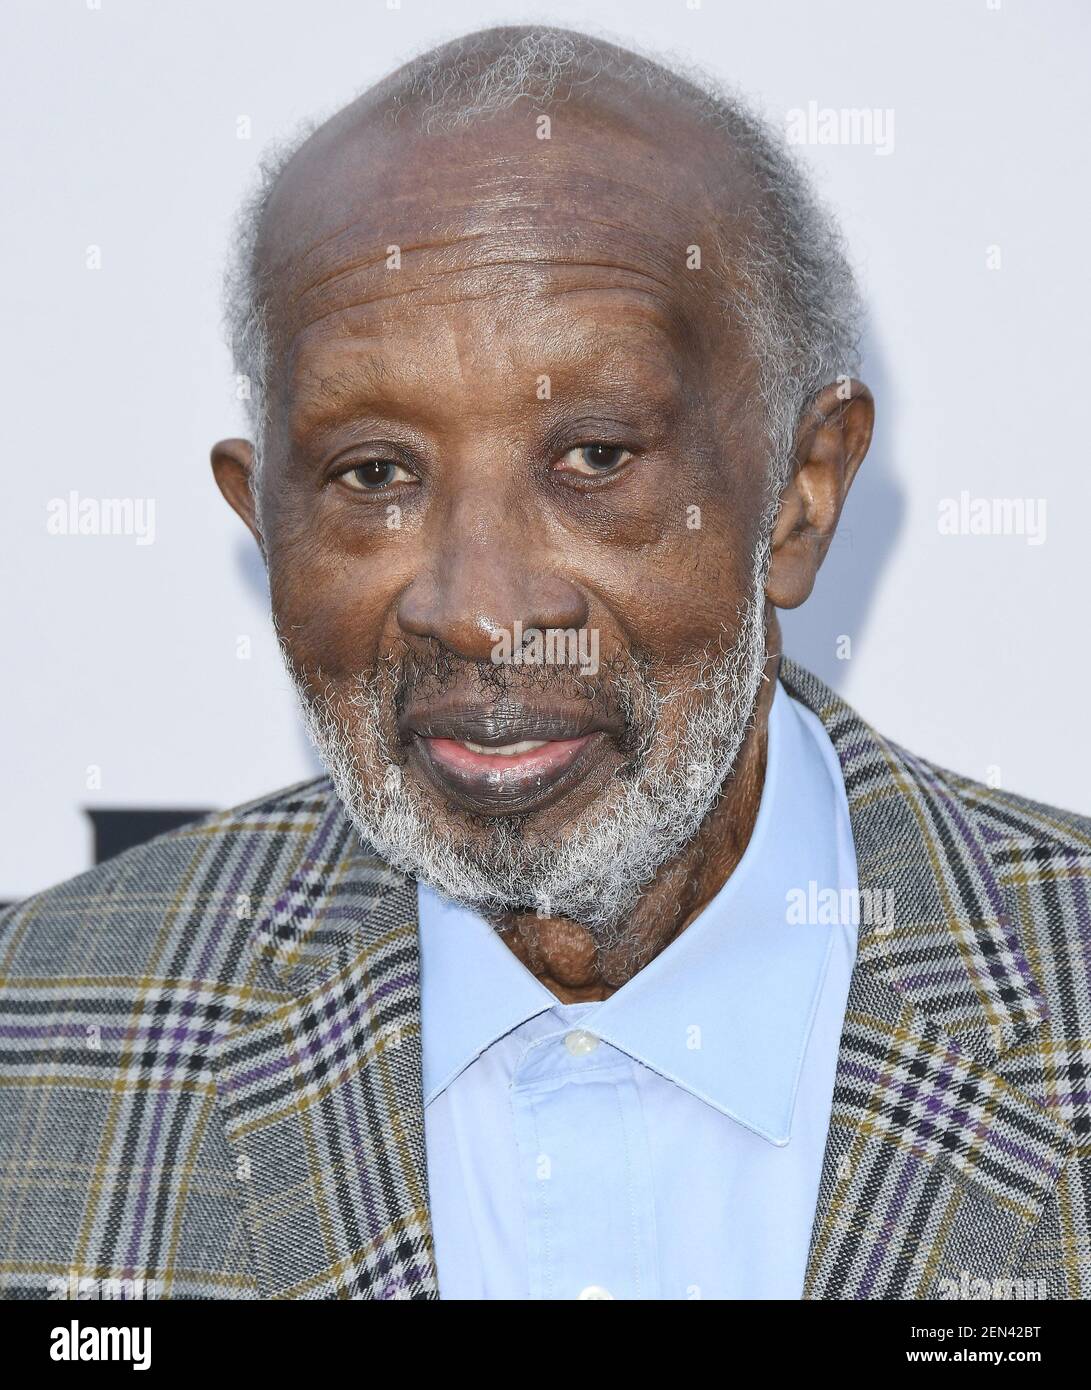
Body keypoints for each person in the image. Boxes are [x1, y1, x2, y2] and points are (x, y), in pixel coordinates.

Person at [1, 25, 1087, 1301]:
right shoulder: (39, 1031)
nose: (479, 610)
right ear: (264, 518)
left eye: (593, 458)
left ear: (800, 495)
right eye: (372, 475)